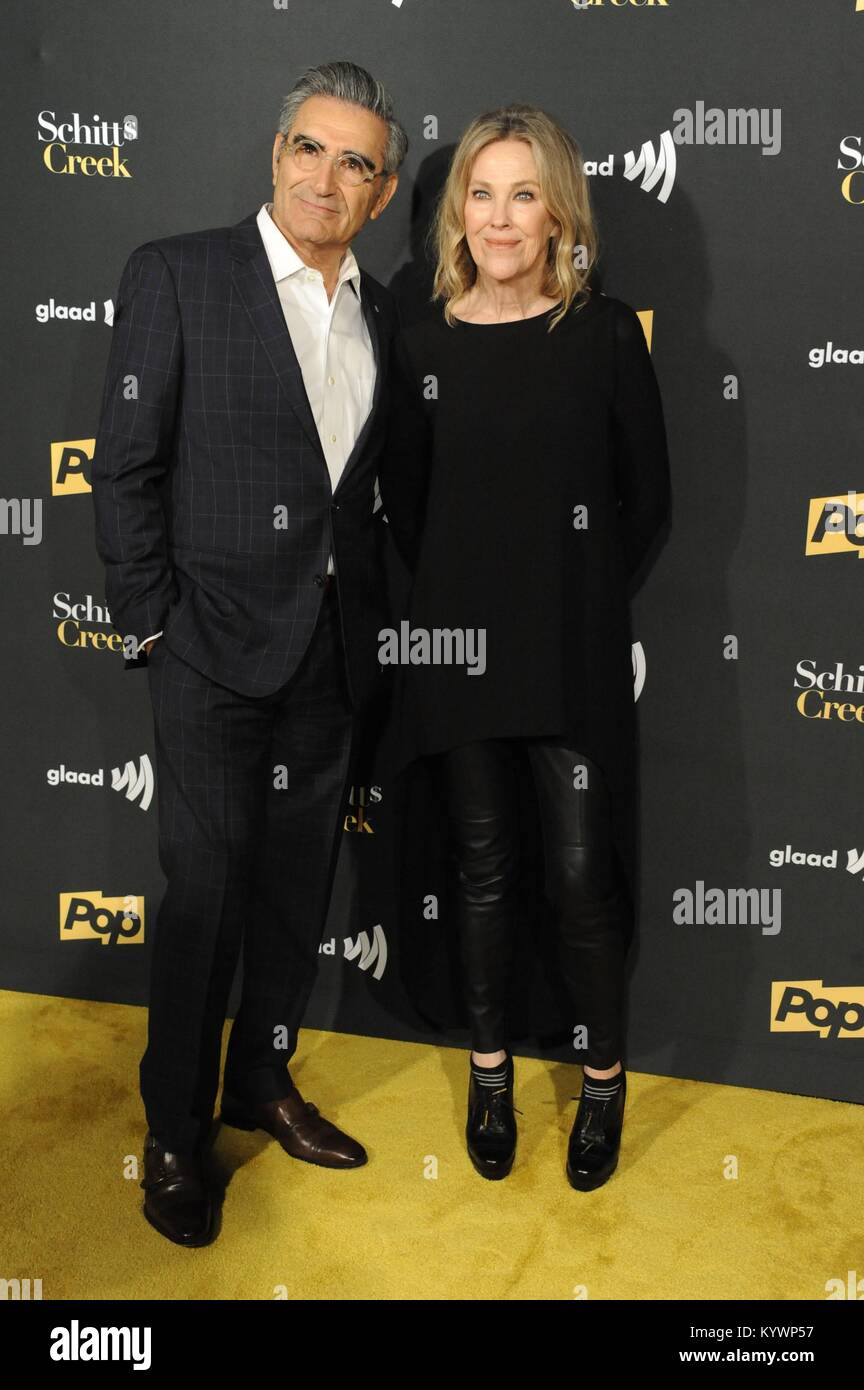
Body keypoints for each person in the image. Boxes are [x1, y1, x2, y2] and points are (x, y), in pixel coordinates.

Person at [91, 61, 406, 1246]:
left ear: (380, 192)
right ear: (277, 156)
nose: (328, 177)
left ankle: (260, 1081)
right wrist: (152, 623)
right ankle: (175, 1128)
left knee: (292, 896)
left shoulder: (381, 311)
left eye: (357, 162)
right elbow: (124, 465)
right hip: (210, 652)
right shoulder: (180, 273)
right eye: (311, 150)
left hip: (329, 656)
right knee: (206, 899)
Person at [379, 105, 670, 1191]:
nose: (500, 216)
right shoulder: (420, 341)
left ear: (558, 214)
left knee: (585, 876)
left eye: (524, 193)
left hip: (572, 657)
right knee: (485, 874)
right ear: (460, 212)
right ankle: (491, 1074)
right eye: (482, 193)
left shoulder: (601, 336)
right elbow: (406, 509)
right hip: (459, 661)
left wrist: (580, 599)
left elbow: (651, 500)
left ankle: (602, 1081)